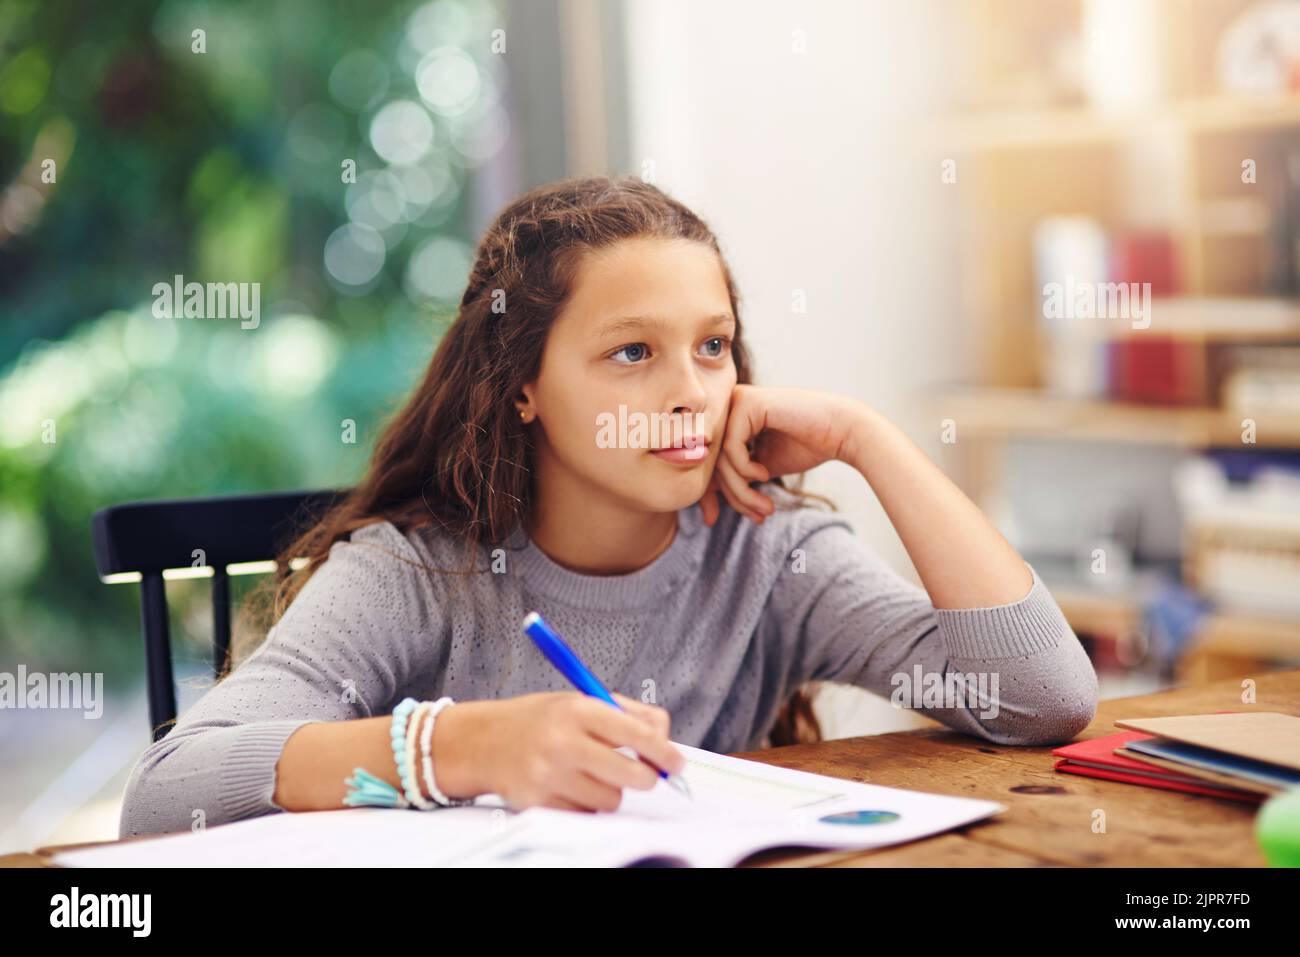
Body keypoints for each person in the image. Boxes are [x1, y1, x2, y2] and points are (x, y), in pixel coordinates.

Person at [119, 175, 1097, 838]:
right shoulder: (419, 575)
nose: (691, 393)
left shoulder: (766, 553)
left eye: (711, 347)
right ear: (521, 385)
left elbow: (1041, 698)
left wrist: (861, 438)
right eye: (633, 352)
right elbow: (168, 795)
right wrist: (463, 746)